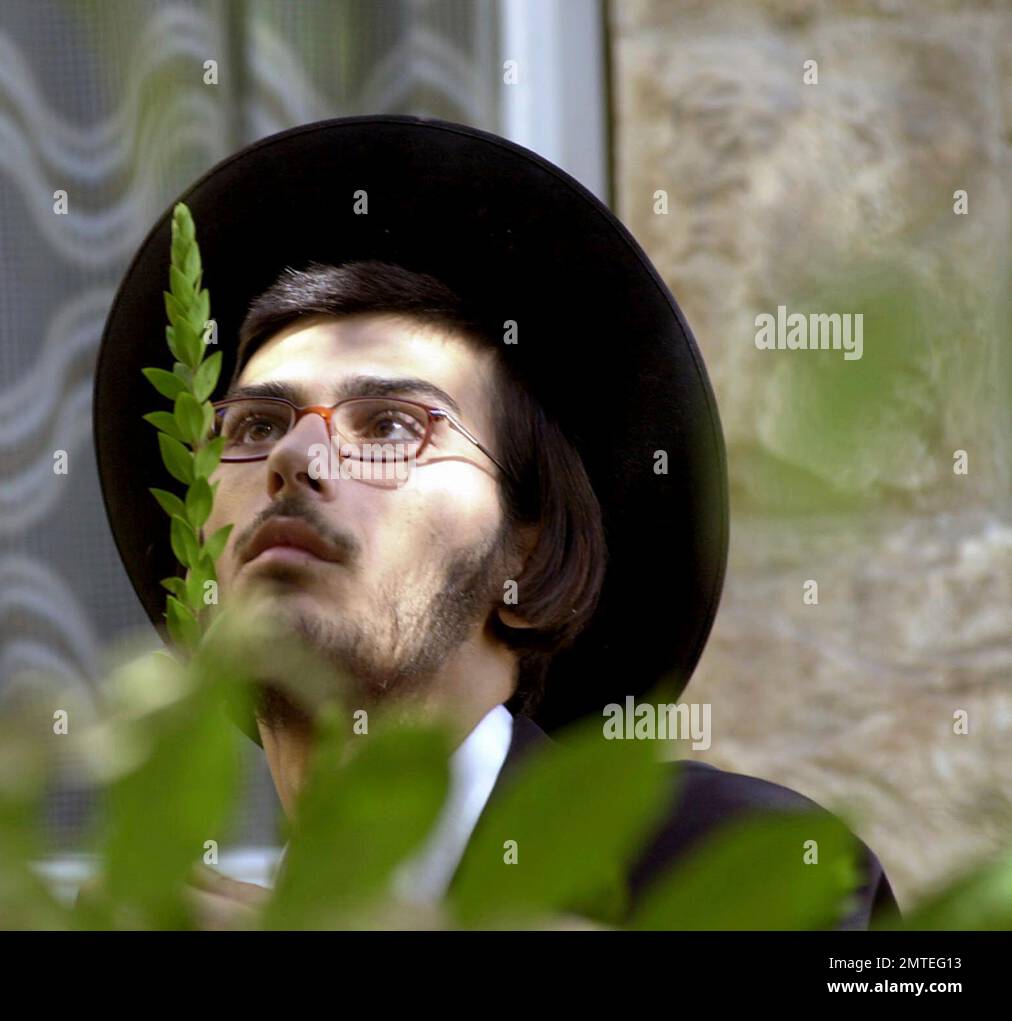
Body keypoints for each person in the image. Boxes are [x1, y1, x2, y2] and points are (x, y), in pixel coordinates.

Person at [92, 115, 900, 929]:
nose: (296, 457)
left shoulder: (740, 857)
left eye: (391, 426)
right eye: (256, 427)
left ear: (532, 548)